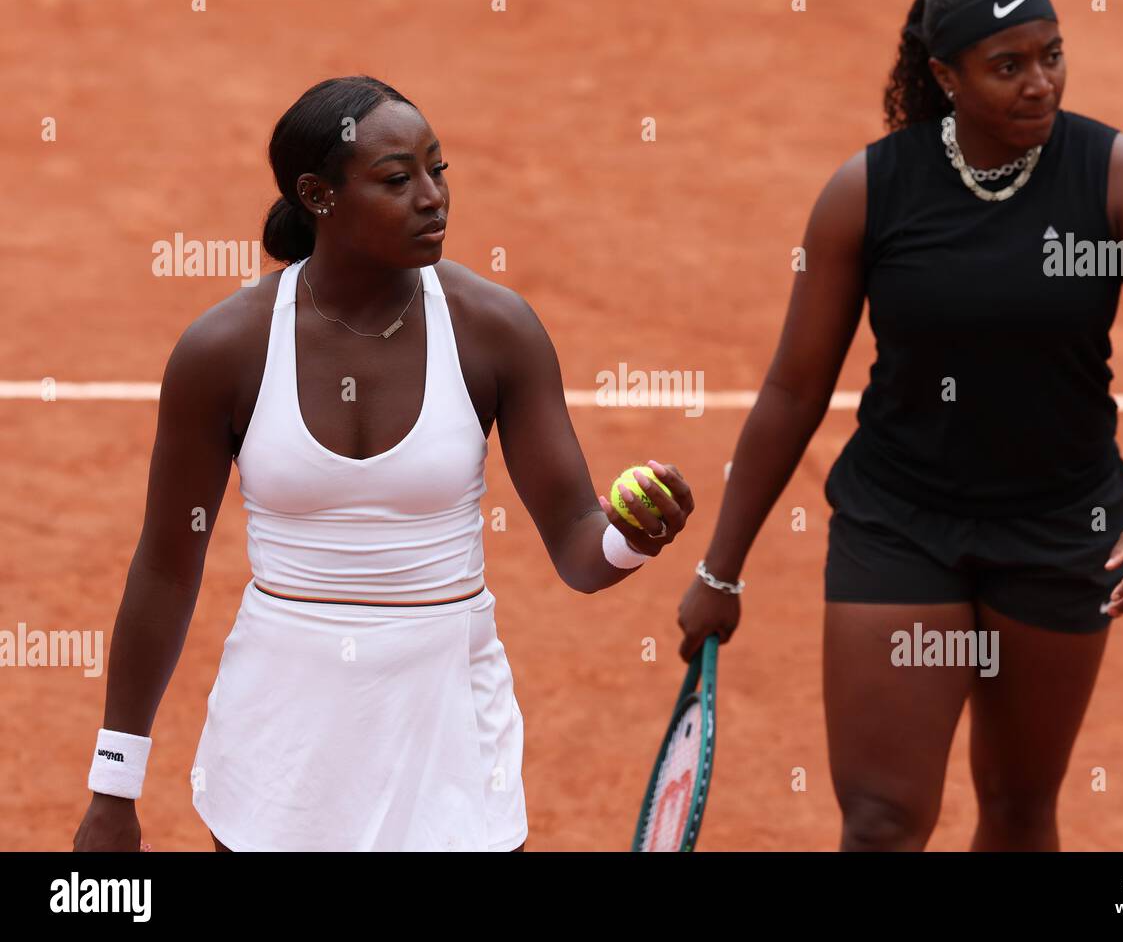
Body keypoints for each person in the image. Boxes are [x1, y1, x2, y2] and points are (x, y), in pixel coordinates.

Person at [73, 75, 693, 852]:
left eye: (440, 170)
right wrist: (115, 784)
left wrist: (632, 539)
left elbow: (578, 545)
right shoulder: (223, 350)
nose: (433, 197)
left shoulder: (494, 330)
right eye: (398, 180)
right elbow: (166, 569)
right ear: (318, 195)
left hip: (450, 736)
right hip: (282, 740)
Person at [675, 0, 1123, 851]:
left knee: (1018, 811)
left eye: (1052, 55)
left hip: (1060, 530)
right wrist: (720, 570)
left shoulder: (1121, 180)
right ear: (946, 76)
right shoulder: (869, 191)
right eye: (1008, 65)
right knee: (882, 822)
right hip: (900, 524)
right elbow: (793, 388)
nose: (1040, 82)